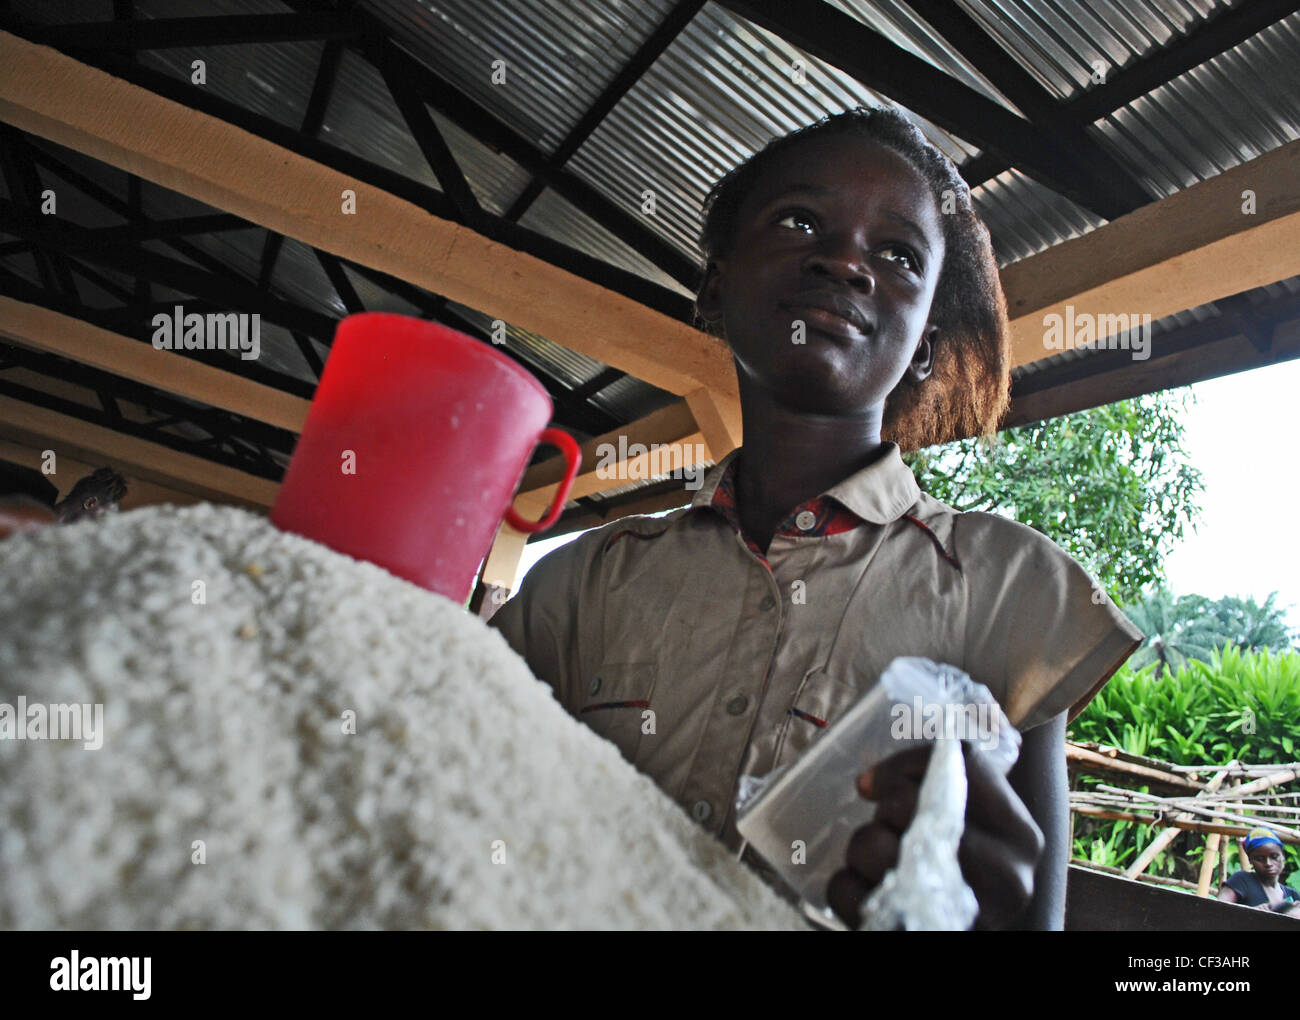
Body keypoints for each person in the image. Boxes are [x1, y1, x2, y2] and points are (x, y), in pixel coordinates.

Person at [488, 106, 1143, 929]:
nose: (845, 261)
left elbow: (1031, 913)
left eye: (898, 255)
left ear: (924, 344)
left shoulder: (1012, 593)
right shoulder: (580, 586)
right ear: (716, 284)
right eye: (800, 221)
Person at [1218, 827, 1300, 916]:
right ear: (1250, 860)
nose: (1268, 863)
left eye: (1274, 857)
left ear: (1283, 856)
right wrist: (1252, 913)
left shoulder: (1293, 895)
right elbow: (1218, 911)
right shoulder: (1241, 881)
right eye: (1260, 859)